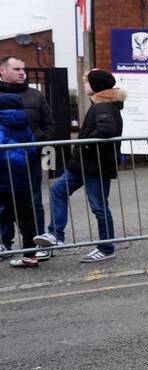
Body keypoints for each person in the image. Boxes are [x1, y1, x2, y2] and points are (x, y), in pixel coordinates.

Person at [35, 69, 124, 263]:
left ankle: (107, 247)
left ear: (97, 86)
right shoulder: (100, 105)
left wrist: (84, 142)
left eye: (86, 82)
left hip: (96, 165)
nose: (83, 85)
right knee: (58, 190)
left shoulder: (103, 107)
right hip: (83, 164)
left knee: (99, 207)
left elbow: (106, 129)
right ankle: (55, 235)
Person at [0, 56, 54, 258]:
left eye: (23, 69)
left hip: (29, 161)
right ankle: (5, 243)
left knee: (34, 202)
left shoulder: (35, 95)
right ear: (2, 71)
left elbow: (49, 125)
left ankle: (36, 243)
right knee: (4, 206)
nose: (22, 72)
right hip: (2, 165)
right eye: (16, 69)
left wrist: (37, 146)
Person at [0, 93, 38, 268]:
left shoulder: (2, 123)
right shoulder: (25, 124)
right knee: (24, 217)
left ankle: (4, 245)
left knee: (6, 214)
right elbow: (31, 150)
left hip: (2, 178)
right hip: (21, 178)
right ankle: (30, 255)